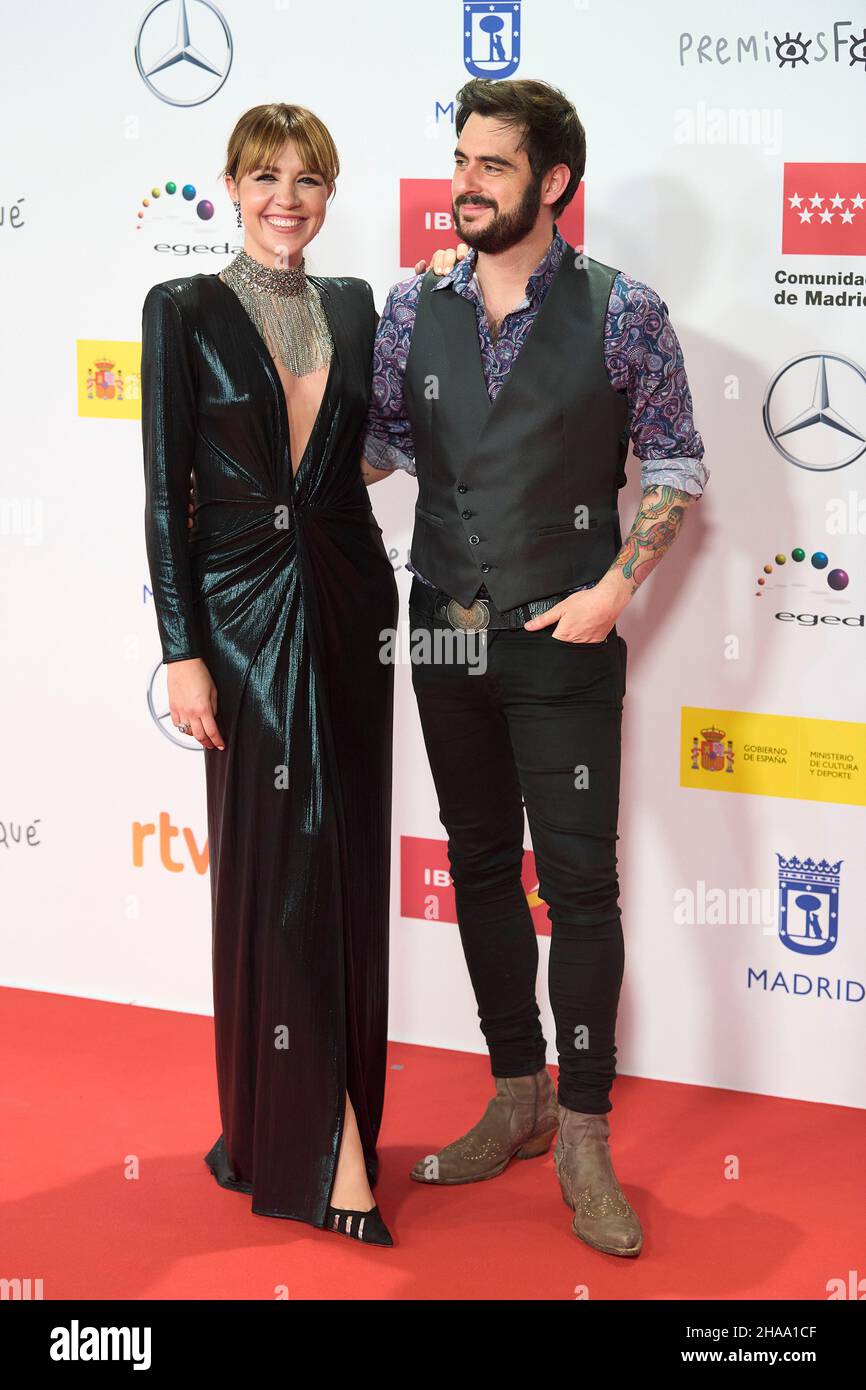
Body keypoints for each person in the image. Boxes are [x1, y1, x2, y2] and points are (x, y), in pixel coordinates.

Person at [361, 78, 708, 1258]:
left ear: (552, 181)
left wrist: (614, 589)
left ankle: (585, 1129)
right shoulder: (410, 309)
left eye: (492, 165)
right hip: (444, 628)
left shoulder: (623, 312)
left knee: (581, 888)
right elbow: (376, 448)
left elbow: (673, 462)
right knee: (471, 858)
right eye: (460, 160)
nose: (465, 182)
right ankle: (514, 1088)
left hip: (564, 631)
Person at [141, 103, 400, 1246]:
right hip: (242, 614)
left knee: (340, 860)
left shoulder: (354, 303)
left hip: (351, 599)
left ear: (328, 191)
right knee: (272, 865)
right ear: (230, 186)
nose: (285, 195)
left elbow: (376, 445)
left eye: (306, 177)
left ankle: (278, 1121)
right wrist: (180, 649)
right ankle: (319, 1144)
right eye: (262, 175)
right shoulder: (181, 308)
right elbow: (163, 497)